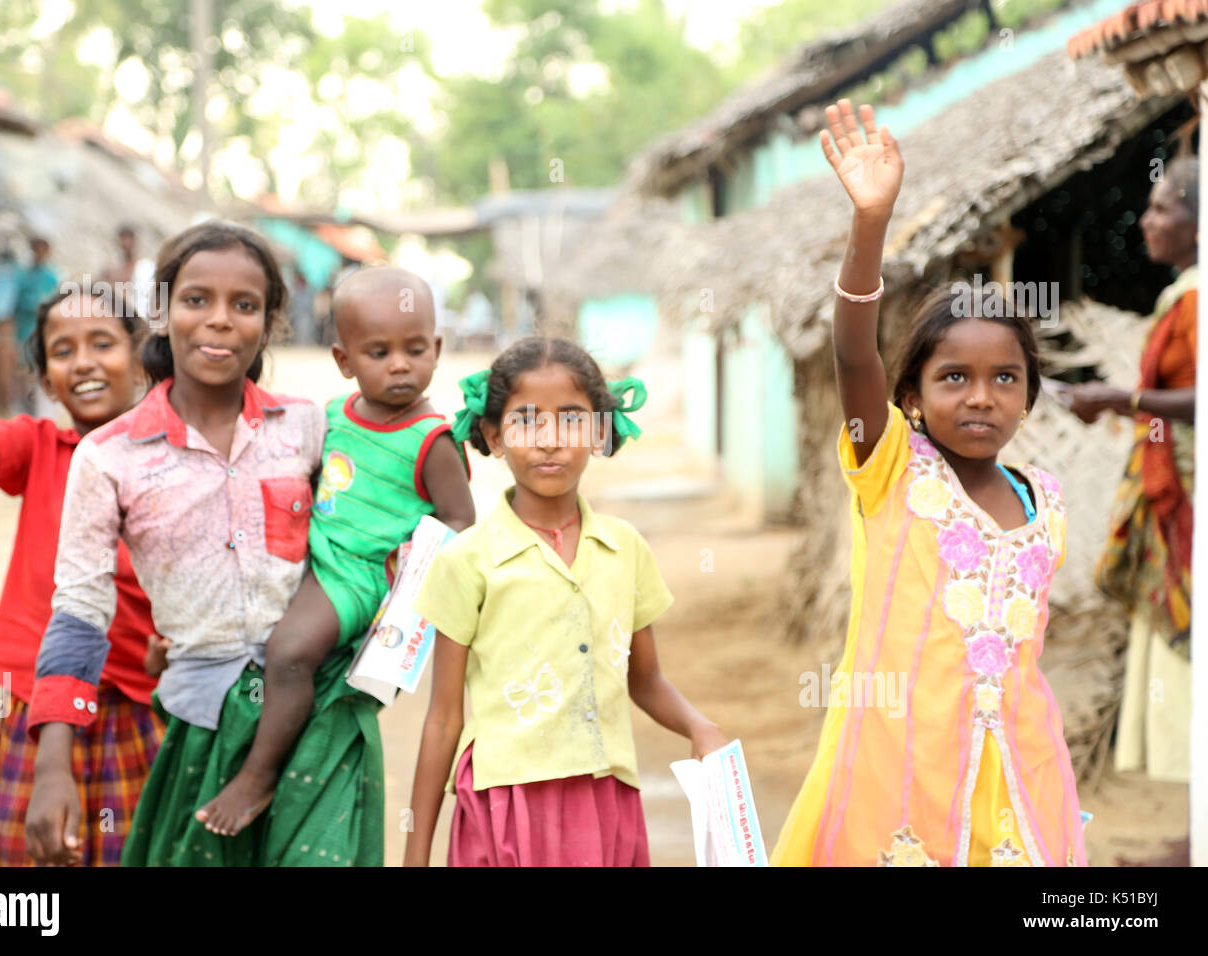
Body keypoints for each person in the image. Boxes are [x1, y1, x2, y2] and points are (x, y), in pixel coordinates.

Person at [772, 100, 1086, 866]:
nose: (980, 395)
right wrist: (871, 221)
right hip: (902, 765)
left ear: (1027, 397)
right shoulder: (891, 469)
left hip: (1020, 767)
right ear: (910, 396)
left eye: (1004, 378)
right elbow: (853, 353)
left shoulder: (1045, 502)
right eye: (954, 377)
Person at [22, 221, 339, 867]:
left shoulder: (308, 428)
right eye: (197, 300)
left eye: (244, 305)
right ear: (163, 313)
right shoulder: (109, 457)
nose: (220, 321)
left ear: (271, 323)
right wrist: (54, 760)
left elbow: (366, 542)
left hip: (316, 722)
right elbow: (81, 609)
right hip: (200, 723)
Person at [403, 336, 728, 867]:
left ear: (600, 432)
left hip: (604, 799)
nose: (550, 440)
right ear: (493, 434)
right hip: (505, 803)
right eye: (526, 420)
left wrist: (700, 726)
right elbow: (442, 719)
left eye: (572, 419)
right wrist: (416, 854)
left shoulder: (625, 548)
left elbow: (644, 680)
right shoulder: (468, 561)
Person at [194, 266, 475, 840]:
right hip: (313, 557)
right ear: (345, 361)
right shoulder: (335, 414)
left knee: (290, 652)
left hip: (360, 576)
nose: (400, 364)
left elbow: (461, 519)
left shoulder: (432, 438)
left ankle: (259, 775)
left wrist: (410, 578)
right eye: (379, 352)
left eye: (414, 349)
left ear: (437, 349)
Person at [0, 266, 162, 866]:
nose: (84, 362)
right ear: (47, 380)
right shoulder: (38, 448)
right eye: (63, 351)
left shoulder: (169, 462)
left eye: (103, 343)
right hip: (35, 703)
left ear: (143, 361)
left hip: (136, 703)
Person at [1066, 156, 1196, 864]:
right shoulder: (1183, 295)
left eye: (1163, 209)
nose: (1148, 221)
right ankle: (1187, 842)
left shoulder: (1199, 298)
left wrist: (1121, 401)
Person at [2, 236, 61, 415]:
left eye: (43, 249)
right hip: (24, 338)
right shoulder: (22, 276)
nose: (39, 253)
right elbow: (12, 308)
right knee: (22, 378)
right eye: (36, 248)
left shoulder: (52, 277)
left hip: (44, 337)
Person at [103, 225, 156, 322]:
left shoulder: (144, 267)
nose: (125, 244)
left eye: (128, 239)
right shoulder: (111, 270)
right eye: (123, 240)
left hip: (138, 317)